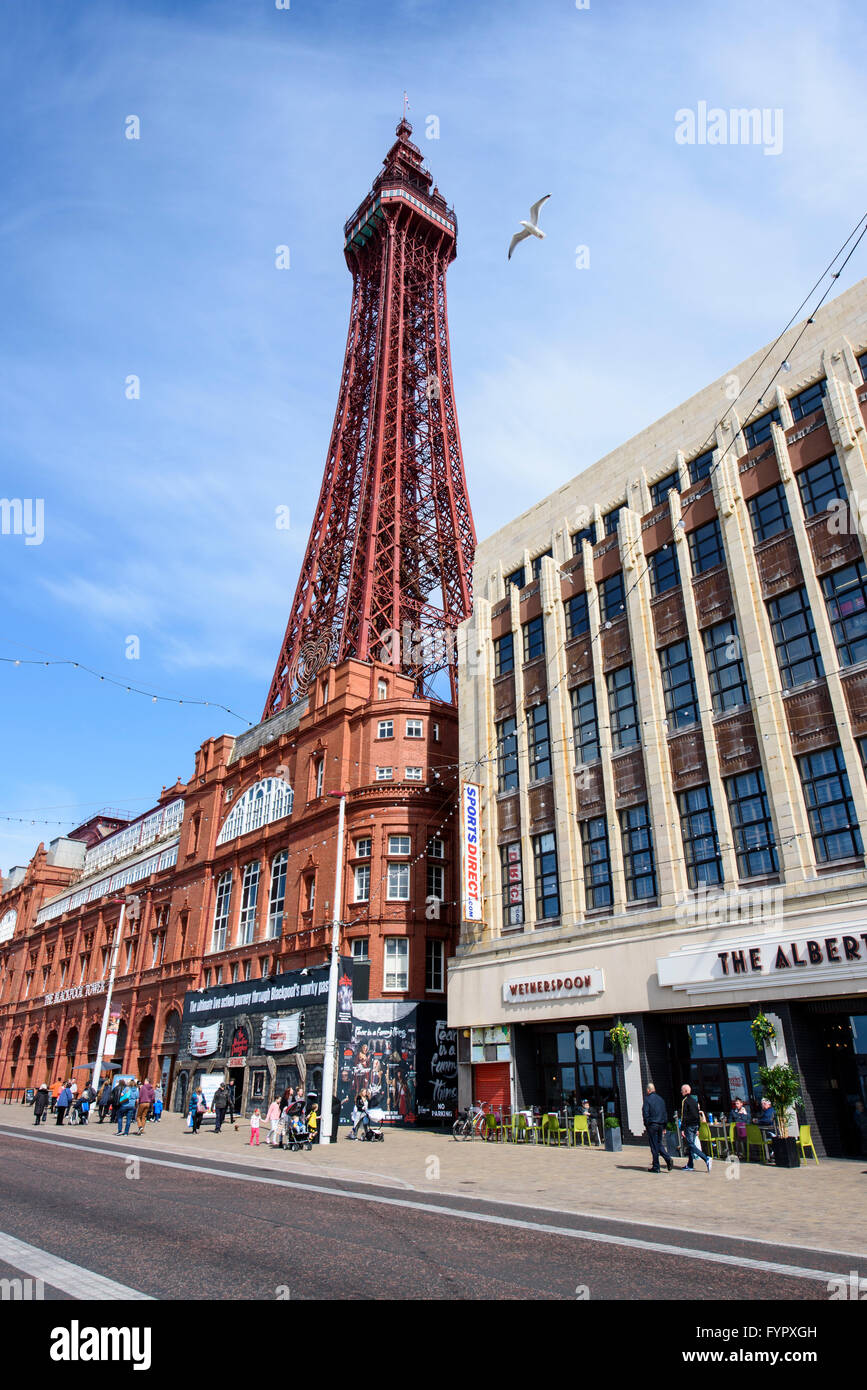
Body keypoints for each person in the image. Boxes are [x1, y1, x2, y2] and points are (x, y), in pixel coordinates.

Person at [679, 1084, 711, 1172]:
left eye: (682, 1090)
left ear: (685, 1091)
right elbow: (697, 1114)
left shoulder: (685, 1101)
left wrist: (682, 1128)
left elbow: (683, 1115)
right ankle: (690, 1164)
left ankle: (706, 1158)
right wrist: (698, 1127)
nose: (681, 1092)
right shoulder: (694, 1101)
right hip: (695, 1125)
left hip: (689, 1126)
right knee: (691, 1145)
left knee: (691, 1145)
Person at [642, 1083, 673, 1173]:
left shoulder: (647, 1100)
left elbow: (645, 1113)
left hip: (652, 1125)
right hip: (660, 1124)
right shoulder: (661, 1099)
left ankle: (656, 1166)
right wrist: (664, 1126)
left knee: (654, 1146)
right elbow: (665, 1113)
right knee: (658, 1144)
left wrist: (647, 1124)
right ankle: (667, 1159)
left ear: (648, 1090)